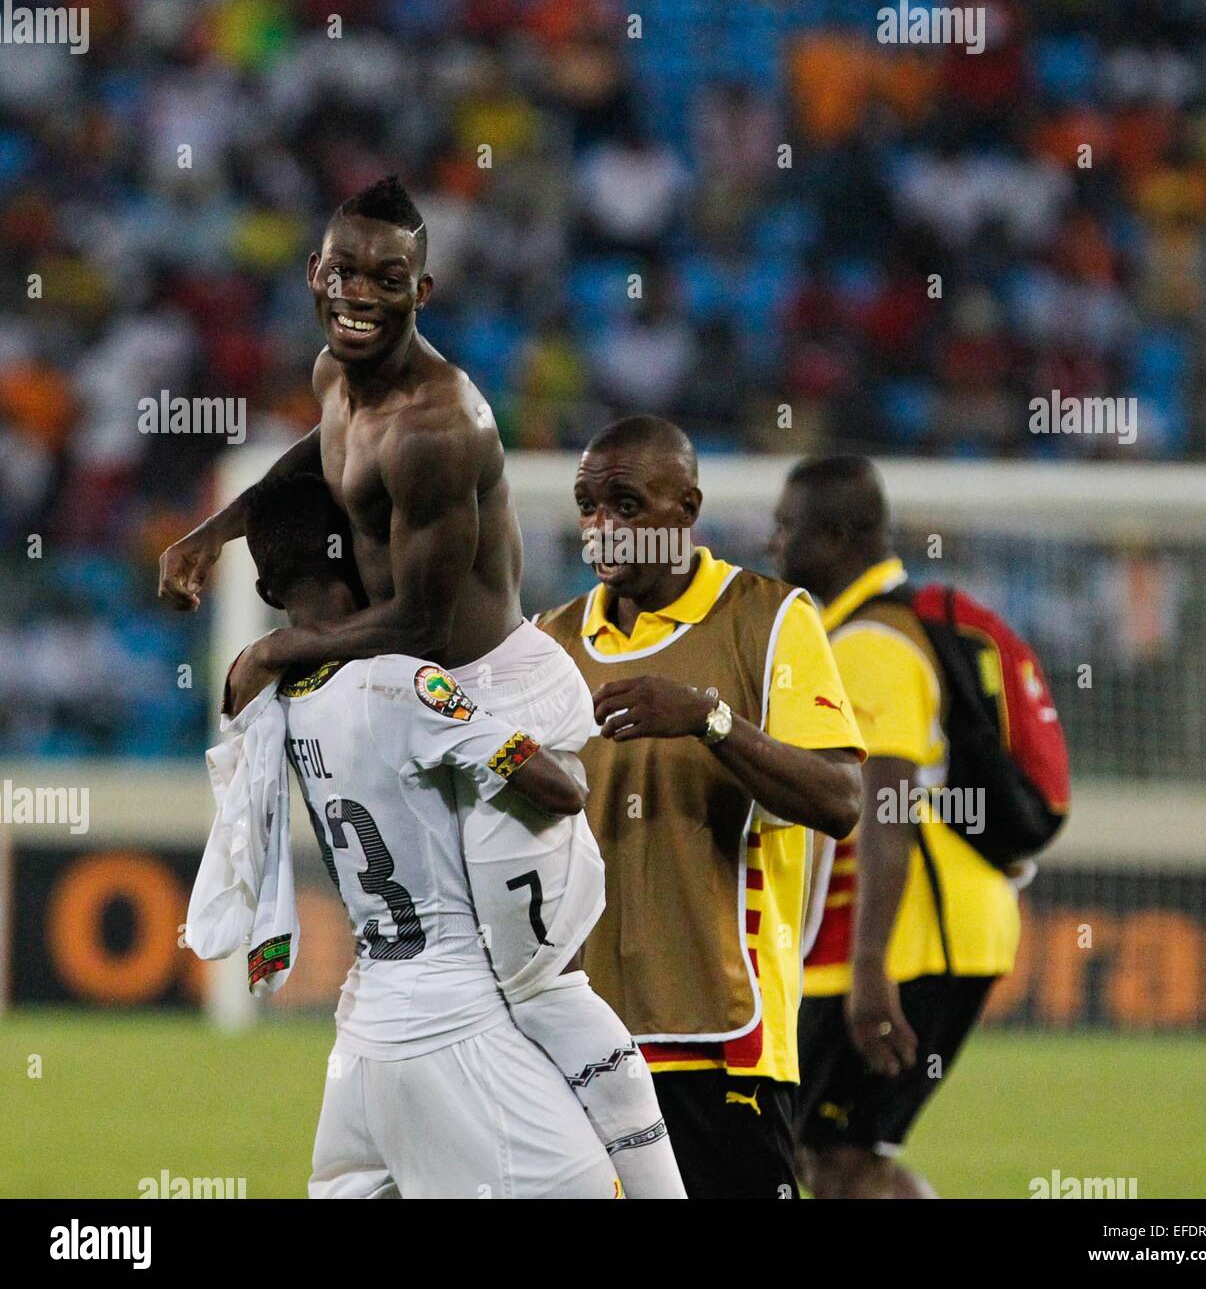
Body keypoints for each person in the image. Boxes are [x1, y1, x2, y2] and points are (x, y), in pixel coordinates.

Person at [239, 471, 683, 1196]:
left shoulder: (285, 701)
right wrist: (517, 738)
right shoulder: (402, 683)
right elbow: (557, 789)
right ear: (355, 554)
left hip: (363, 1034)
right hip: (451, 1025)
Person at [535, 415, 866, 1199]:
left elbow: (839, 799)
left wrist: (709, 721)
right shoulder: (550, 642)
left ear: (686, 508)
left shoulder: (768, 618)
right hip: (577, 1036)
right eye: (586, 504)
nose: (600, 526)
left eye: (624, 503)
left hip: (723, 1032)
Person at [157, 174, 523, 709]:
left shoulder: (436, 430)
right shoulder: (332, 373)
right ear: (314, 272)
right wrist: (214, 533)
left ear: (421, 292)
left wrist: (278, 648)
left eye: (387, 280)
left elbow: (424, 624)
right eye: (342, 273)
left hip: (491, 694)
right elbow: (324, 445)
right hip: (418, 692)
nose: (358, 296)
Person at [770, 455, 1020, 1199]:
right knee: (835, 1157)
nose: (772, 545)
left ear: (840, 536)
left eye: (789, 529)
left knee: (836, 1162)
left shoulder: (871, 647)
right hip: (927, 930)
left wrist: (871, 971)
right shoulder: (884, 625)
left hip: (910, 940)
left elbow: (887, 811)